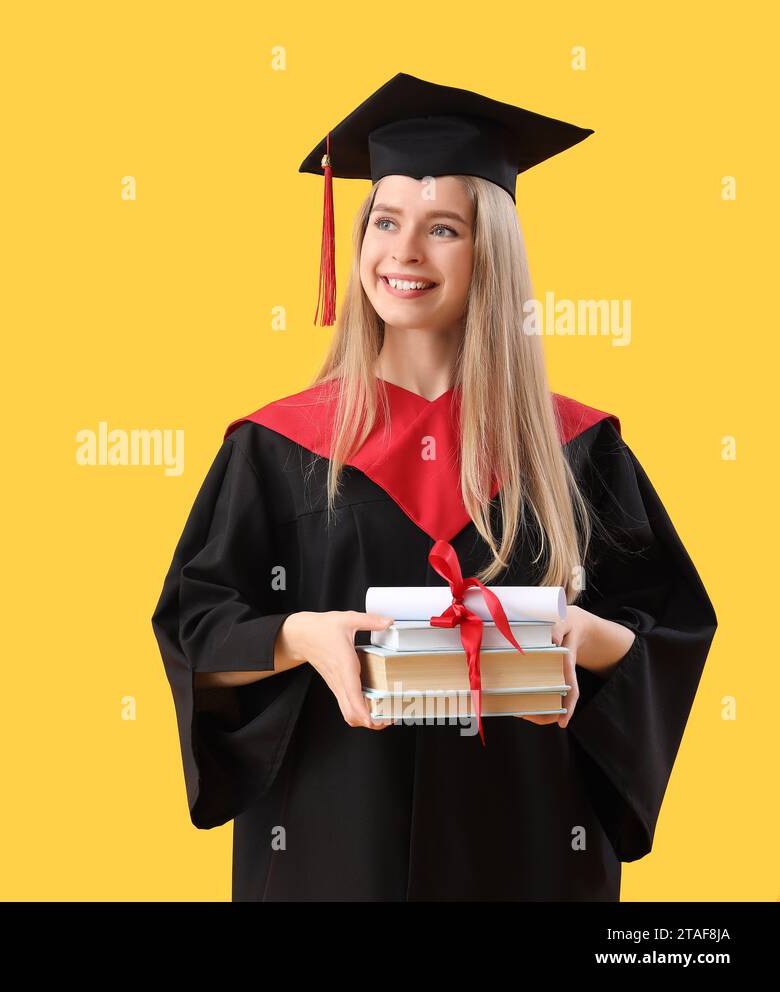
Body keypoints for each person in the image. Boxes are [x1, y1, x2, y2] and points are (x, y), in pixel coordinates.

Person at [150, 73, 717, 900]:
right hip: (329, 852)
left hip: (527, 853)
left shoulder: (579, 451)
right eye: (386, 221)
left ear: (491, 250)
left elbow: (668, 637)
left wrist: (579, 637)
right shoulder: (276, 449)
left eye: (443, 228)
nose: (404, 253)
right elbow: (194, 632)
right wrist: (302, 635)